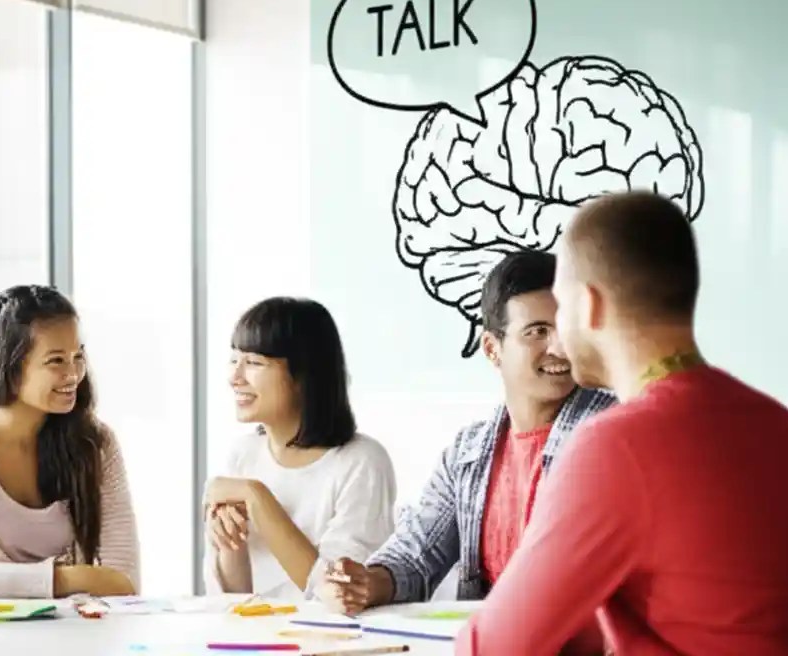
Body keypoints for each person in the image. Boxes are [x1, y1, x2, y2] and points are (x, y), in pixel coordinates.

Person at [457, 191, 788, 654]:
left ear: (589, 306)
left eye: (562, 308)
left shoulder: (616, 448)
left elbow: (494, 646)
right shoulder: (782, 429)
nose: (559, 338)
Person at [318, 251, 615, 643]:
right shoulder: (468, 453)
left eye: (566, 328)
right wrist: (364, 583)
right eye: (537, 331)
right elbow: (415, 556)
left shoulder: (614, 433)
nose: (560, 348)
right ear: (492, 349)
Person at [0, 285, 139, 598]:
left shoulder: (96, 442)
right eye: (56, 360)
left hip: (76, 627)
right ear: (10, 366)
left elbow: (124, 579)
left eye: (78, 356)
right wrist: (69, 579)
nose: (74, 374)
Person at [204, 297, 397, 602]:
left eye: (254, 362)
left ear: (304, 375)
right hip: (255, 628)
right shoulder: (243, 454)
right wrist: (230, 544)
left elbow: (336, 591)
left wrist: (257, 497)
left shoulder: (361, 461)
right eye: (234, 360)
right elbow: (233, 598)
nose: (235, 378)